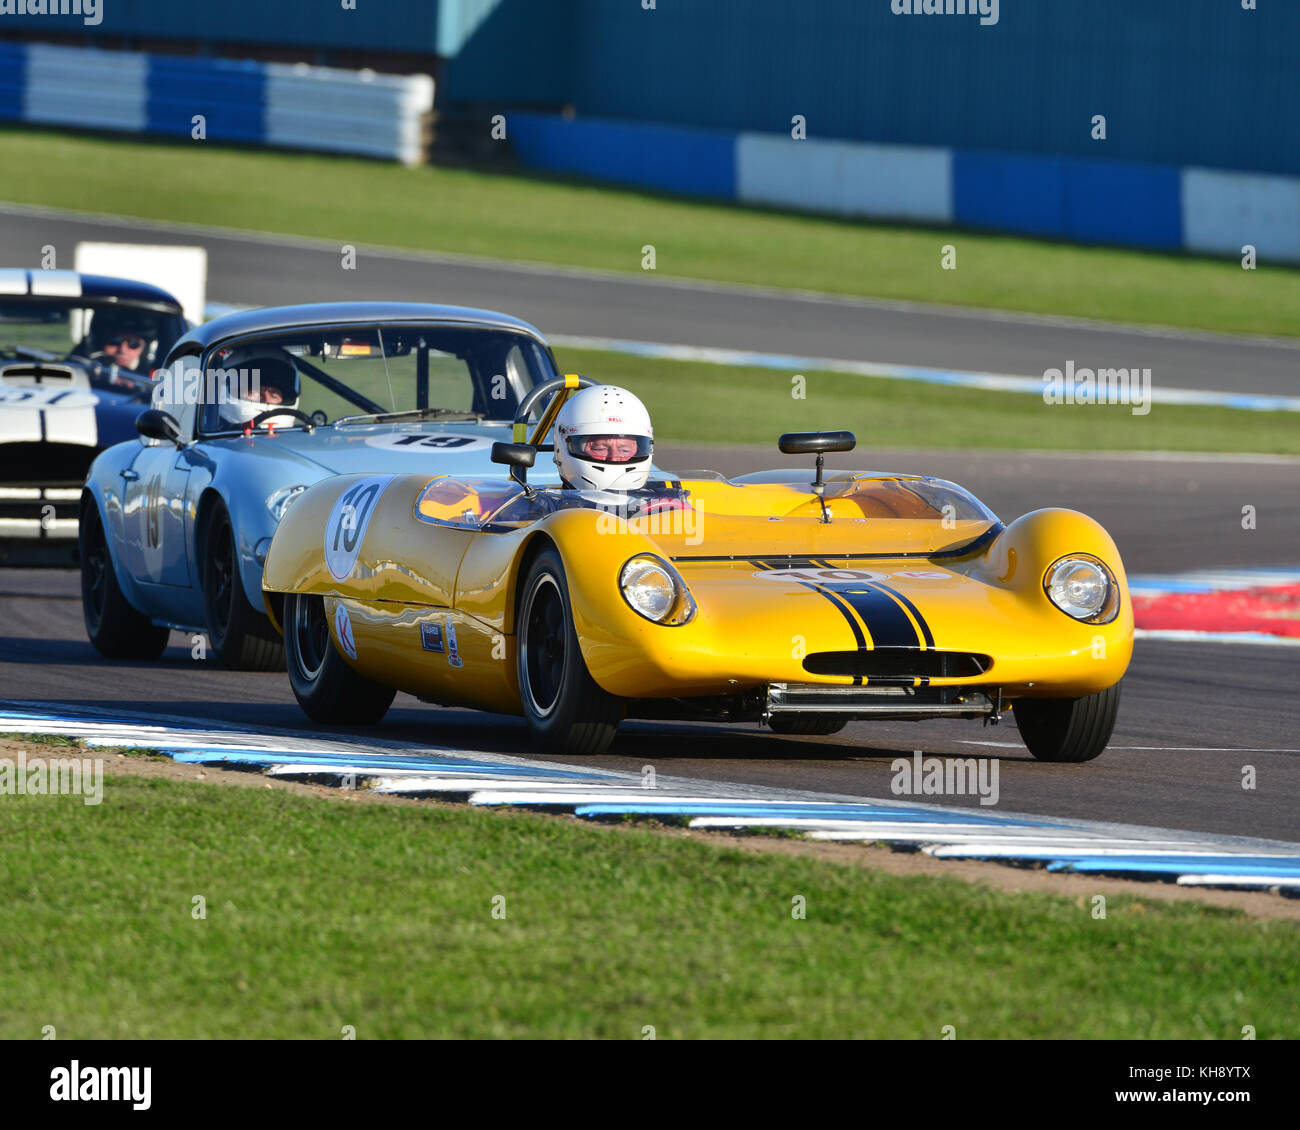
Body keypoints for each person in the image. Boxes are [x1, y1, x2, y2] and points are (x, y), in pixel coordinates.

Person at [551, 385, 689, 516]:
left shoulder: (670, 504)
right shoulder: (542, 507)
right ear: (563, 447)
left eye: (624, 450)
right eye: (599, 449)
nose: (614, 457)